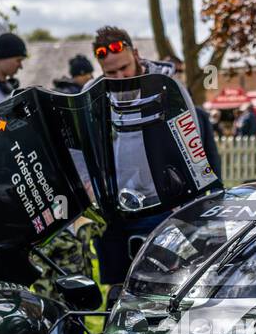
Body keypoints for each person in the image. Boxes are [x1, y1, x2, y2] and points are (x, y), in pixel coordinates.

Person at [90, 25, 222, 286]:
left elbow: (191, 146)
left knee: (169, 283)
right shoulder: (95, 96)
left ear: (136, 54)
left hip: (164, 205)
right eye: (111, 72)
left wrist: (187, 199)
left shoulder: (167, 88)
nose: (119, 76)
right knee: (120, 287)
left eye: (124, 68)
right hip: (118, 210)